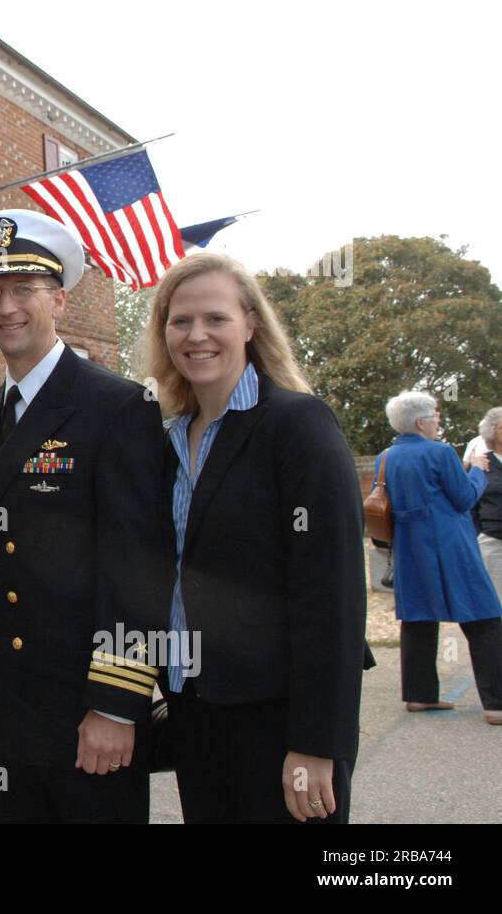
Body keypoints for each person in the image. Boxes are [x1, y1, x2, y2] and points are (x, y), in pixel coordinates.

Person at [0, 209, 167, 823]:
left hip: (83, 713)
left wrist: (118, 704)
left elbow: (138, 567)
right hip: (6, 706)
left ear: (61, 300)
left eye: (24, 289)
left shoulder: (117, 405)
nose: (5, 307)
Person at [143, 251, 369, 823]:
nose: (197, 335)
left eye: (215, 318)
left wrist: (318, 743)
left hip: (279, 718)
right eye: (180, 320)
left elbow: (333, 594)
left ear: (250, 324)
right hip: (192, 707)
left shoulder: (296, 425)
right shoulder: (167, 439)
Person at [377, 392, 502, 726]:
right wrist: (477, 470)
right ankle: (496, 703)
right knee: (484, 615)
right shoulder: (442, 452)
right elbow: (464, 498)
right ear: (421, 422)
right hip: (449, 544)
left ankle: (419, 694)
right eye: (435, 416)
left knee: (418, 618)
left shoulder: (386, 457)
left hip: (409, 547)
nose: (438, 421)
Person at [472, 407, 502, 613]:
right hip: (493, 541)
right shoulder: (482, 463)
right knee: (497, 600)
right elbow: (470, 503)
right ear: (493, 432)